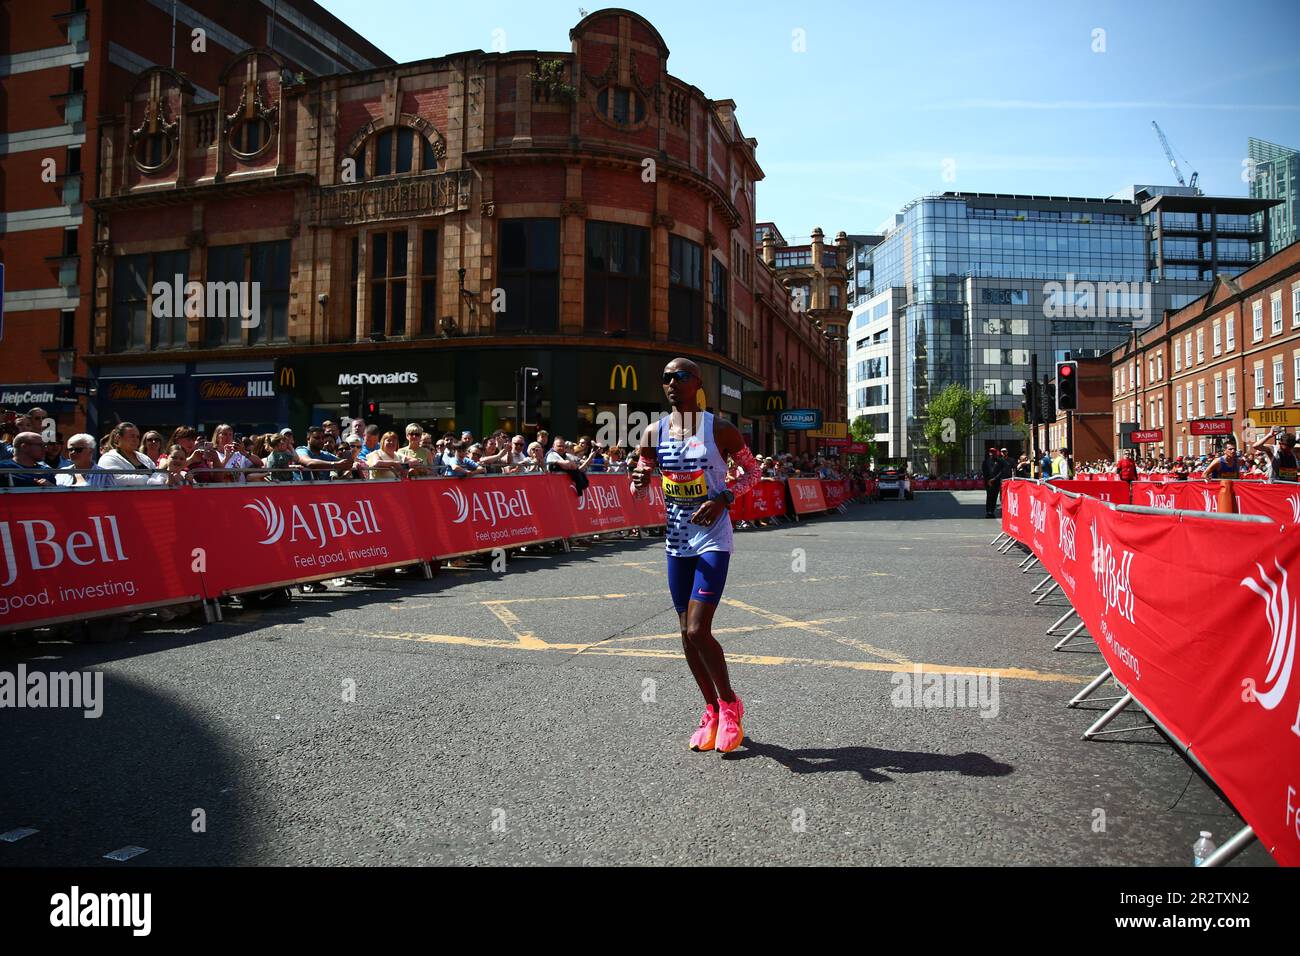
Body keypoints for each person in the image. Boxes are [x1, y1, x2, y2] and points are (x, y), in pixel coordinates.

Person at [630, 358, 762, 755]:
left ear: (697, 384)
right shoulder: (653, 432)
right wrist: (637, 480)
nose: (672, 383)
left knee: (697, 630)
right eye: (666, 377)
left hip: (712, 540)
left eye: (680, 376)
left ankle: (730, 704)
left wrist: (723, 497)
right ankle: (710, 710)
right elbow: (639, 485)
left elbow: (752, 474)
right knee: (685, 635)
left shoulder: (719, 428)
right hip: (676, 542)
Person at [981, 446, 1003, 518]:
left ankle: (992, 511)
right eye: (990, 452)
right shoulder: (985, 462)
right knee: (989, 496)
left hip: (996, 482)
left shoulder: (999, 461)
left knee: (994, 497)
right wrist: (988, 480)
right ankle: (988, 511)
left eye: (993, 452)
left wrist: (995, 479)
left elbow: (1001, 471)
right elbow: (984, 472)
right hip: (988, 482)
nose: (991, 454)